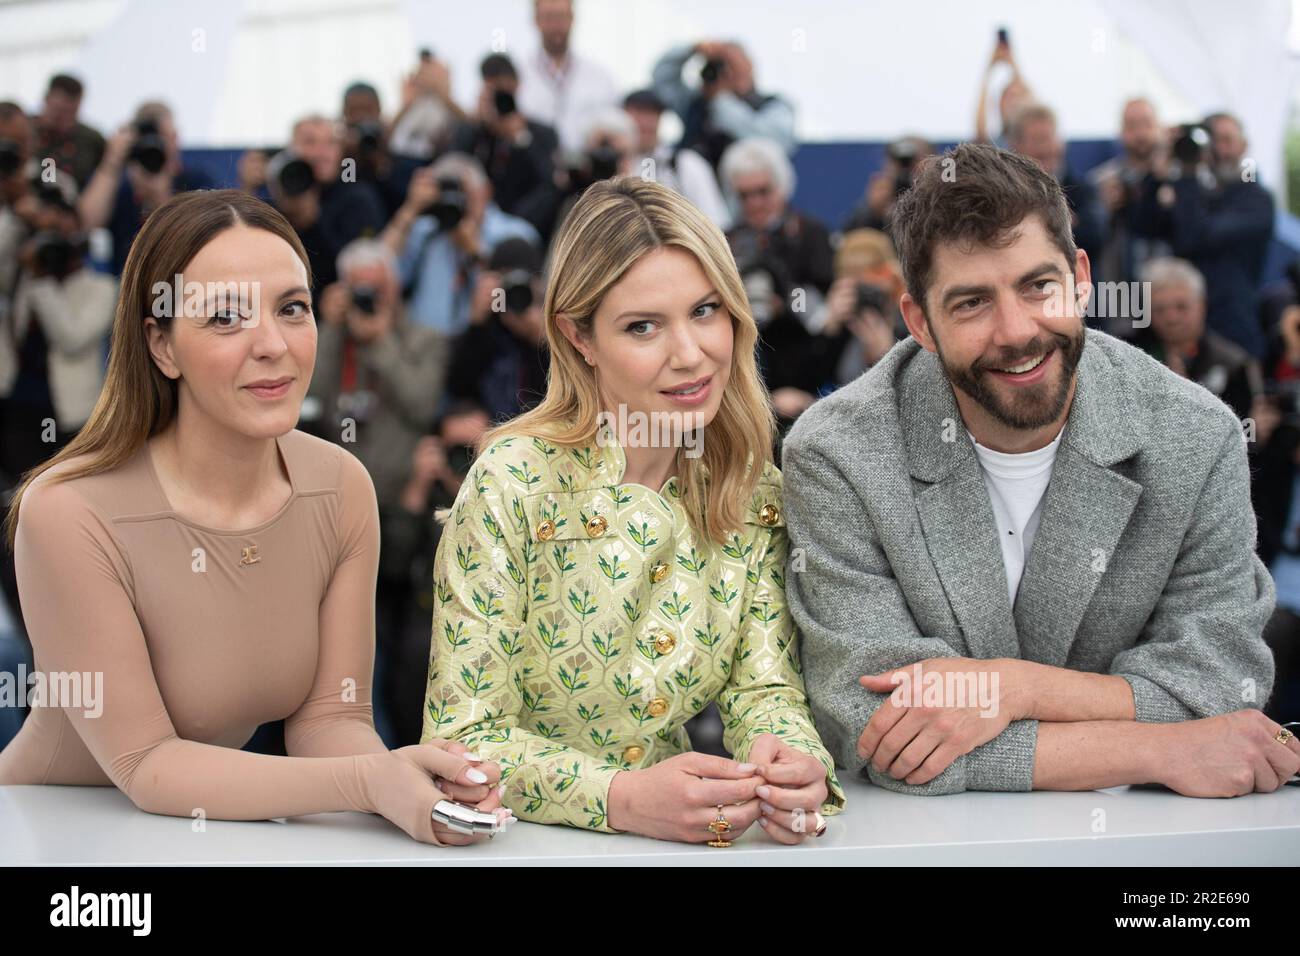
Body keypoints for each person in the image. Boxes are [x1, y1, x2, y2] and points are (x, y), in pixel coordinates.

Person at [784, 143, 1296, 798]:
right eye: (970, 303)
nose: (1018, 331)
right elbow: (876, 729)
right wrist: (1163, 749)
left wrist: (1010, 689)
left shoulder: (1196, 437)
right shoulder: (837, 453)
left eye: (1038, 286)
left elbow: (1221, 682)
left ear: (1080, 278)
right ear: (920, 323)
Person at [0, 189, 509, 846]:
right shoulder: (67, 511)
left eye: (292, 308)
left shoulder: (340, 487)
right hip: (45, 840)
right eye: (225, 319)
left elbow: (331, 718)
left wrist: (402, 779)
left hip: (208, 841)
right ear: (162, 346)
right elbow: (145, 765)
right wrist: (367, 783)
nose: (273, 345)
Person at [421, 176, 844, 843]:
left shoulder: (750, 485)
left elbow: (764, 689)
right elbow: (461, 741)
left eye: (706, 311)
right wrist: (617, 798)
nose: (690, 353)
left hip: (681, 848)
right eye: (643, 326)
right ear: (579, 337)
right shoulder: (512, 483)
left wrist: (792, 762)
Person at [382, 152, 538, 336]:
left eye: (465, 193)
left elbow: (522, 303)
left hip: (482, 349)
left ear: (486, 191)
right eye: (449, 193)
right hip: (422, 345)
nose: (458, 201)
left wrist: (476, 251)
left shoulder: (516, 235)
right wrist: (410, 209)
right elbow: (380, 268)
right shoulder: (426, 230)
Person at [78, 101, 215, 276]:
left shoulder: (198, 180)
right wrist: (111, 163)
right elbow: (87, 223)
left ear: (175, 138)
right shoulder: (120, 186)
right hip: (127, 283)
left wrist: (162, 197)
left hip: (185, 279)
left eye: (161, 137)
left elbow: (202, 238)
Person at [446, 53, 560, 240]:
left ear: (516, 86)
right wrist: (477, 126)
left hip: (523, 224)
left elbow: (549, 183)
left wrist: (520, 137)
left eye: (503, 93)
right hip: (474, 221)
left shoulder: (541, 133)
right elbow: (456, 166)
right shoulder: (473, 131)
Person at [1135, 257, 1261, 422]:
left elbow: (1243, 435)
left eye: (1182, 307)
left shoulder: (1233, 364)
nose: (1171, 317)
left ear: (1202, 305)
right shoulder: (1128, 352)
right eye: (1159, 309)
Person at [652, 40, 795, 172]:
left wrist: (722, 99)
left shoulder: (774, 106)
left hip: (744, 194)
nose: (728, 73)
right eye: (721, 66)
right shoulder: (696, 105)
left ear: (749, 66)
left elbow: (771, 143)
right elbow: (662, 79)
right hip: (692, 192)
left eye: (733, 65)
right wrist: (691, 50)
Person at [721, 137, 833, 298]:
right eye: (744, 195)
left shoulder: (810, 233)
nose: (755, 203)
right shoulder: (727, 240)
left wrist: (787, 305)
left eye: (763, 191)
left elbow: (824, 297)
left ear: (781, 186)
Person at [515, 0, 618, 153]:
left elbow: (617, 122)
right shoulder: (518, 76)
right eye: (549, 17)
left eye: (562, 17)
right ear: (536, 20)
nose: (557, 25)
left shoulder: (599, 76)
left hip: (587, 170)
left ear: (573, 19)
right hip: (533, 169)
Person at [623, 88, 730, 230]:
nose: (645, 122)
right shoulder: (607, 165)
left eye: (652, 114)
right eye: (639, 113)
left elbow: (716, 223)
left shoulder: (687, 163)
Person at [32, 74, 104, 190]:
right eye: (56, 109)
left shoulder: (91, 140)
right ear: (46, 99)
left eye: (67, 111)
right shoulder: (23, 129)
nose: (59, 117)